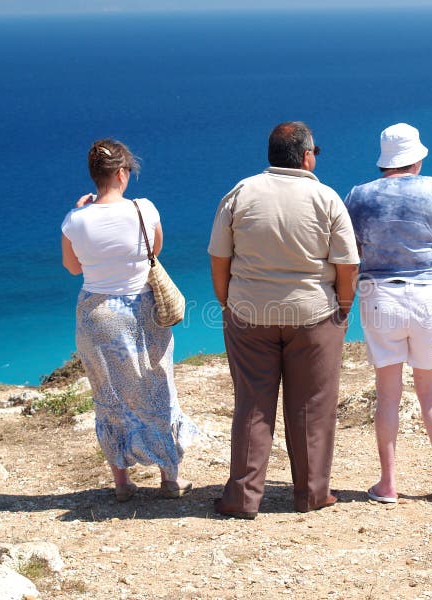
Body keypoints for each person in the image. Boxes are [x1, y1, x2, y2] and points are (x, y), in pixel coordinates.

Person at [208, 122, 360, 519]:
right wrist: (343, 309)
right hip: (313, 314)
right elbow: (347, 264)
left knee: (252, 404)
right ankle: (312, 494)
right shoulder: (325, 198)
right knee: (313, 404)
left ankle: (242, 498)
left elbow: (219, 258)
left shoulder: (240, 193)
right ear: (307, 155)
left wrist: (227, 303)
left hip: (249, 313)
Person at [61, 139, 198, 502]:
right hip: (143, 309)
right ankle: (170, 478)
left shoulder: (74, 220)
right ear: (122, 173)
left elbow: (73, 267)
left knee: (108, 395)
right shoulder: (144, 209)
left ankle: (122, 483)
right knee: (158, 385)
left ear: (94, 176)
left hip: (97, 313)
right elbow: (154, 250)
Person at [344, 123, 432, 503]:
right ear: (416, 159)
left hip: (380, 295)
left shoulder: (358, 195)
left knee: (388, 395)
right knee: (430, 393)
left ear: (385, 160)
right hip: (428, 294)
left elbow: (349, 254)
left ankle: (388, 483)